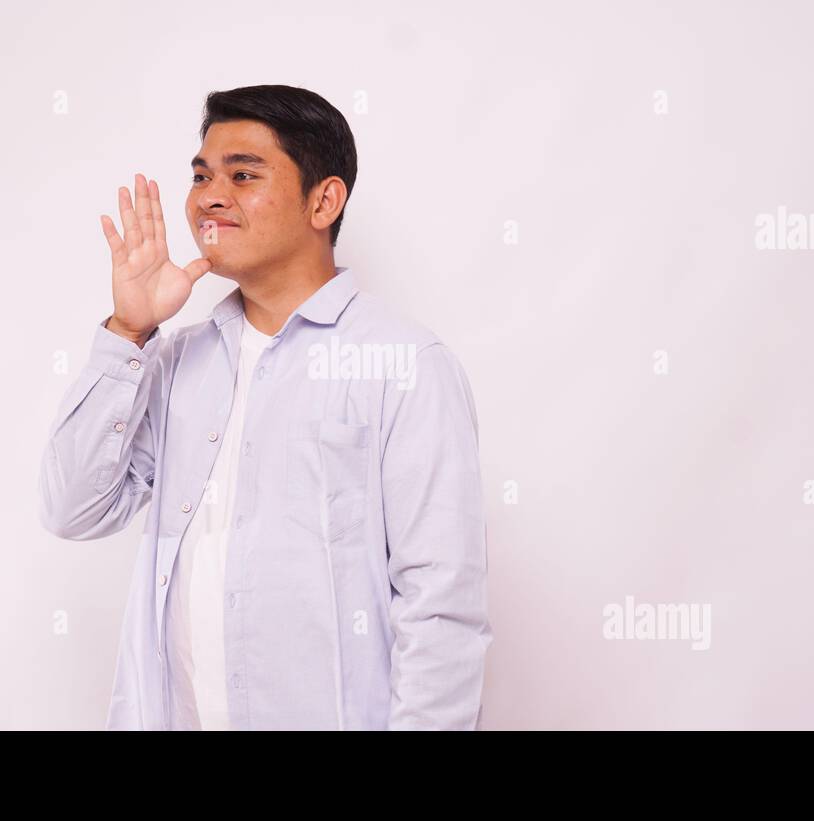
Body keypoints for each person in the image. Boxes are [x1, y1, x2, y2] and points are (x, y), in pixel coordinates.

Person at [38, 84, 491, 730]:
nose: (209, 197)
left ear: (323, 199)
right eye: (201, 176)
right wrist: (128, 330)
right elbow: (70, 507)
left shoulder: (406, 365)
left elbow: (441, 609)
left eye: (242, 175)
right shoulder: (173, 364)